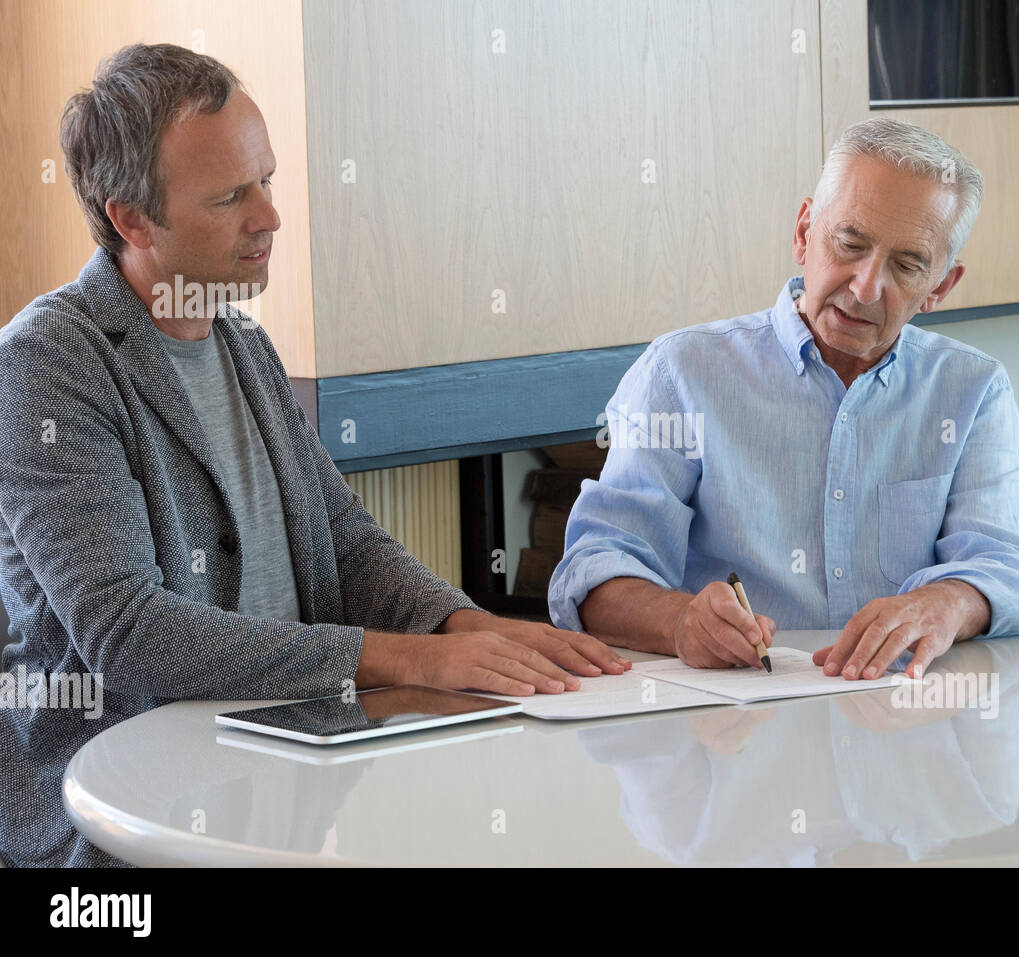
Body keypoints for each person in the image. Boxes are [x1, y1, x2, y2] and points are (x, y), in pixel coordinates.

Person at [0, 43, 625, 867]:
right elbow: (131, 632)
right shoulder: (47, 363)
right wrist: (404, 655)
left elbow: (346, 539)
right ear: (131, 219)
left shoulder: (243, 342)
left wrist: (465, 623)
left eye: (267, 180)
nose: (269, 217)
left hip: (279, 797)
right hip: (119, 832)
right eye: (231, 196)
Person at [550, 117, 1019, 681]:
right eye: (850, 243)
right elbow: (592, 572)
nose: (864, 287)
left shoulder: (973, 390)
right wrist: (680, 620)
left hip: (903, 724)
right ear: (804, 232)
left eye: (906, 265)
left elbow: (1013, 574)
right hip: (733, 733)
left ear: (940, 286)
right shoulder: (681, 372)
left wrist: (948, 601)